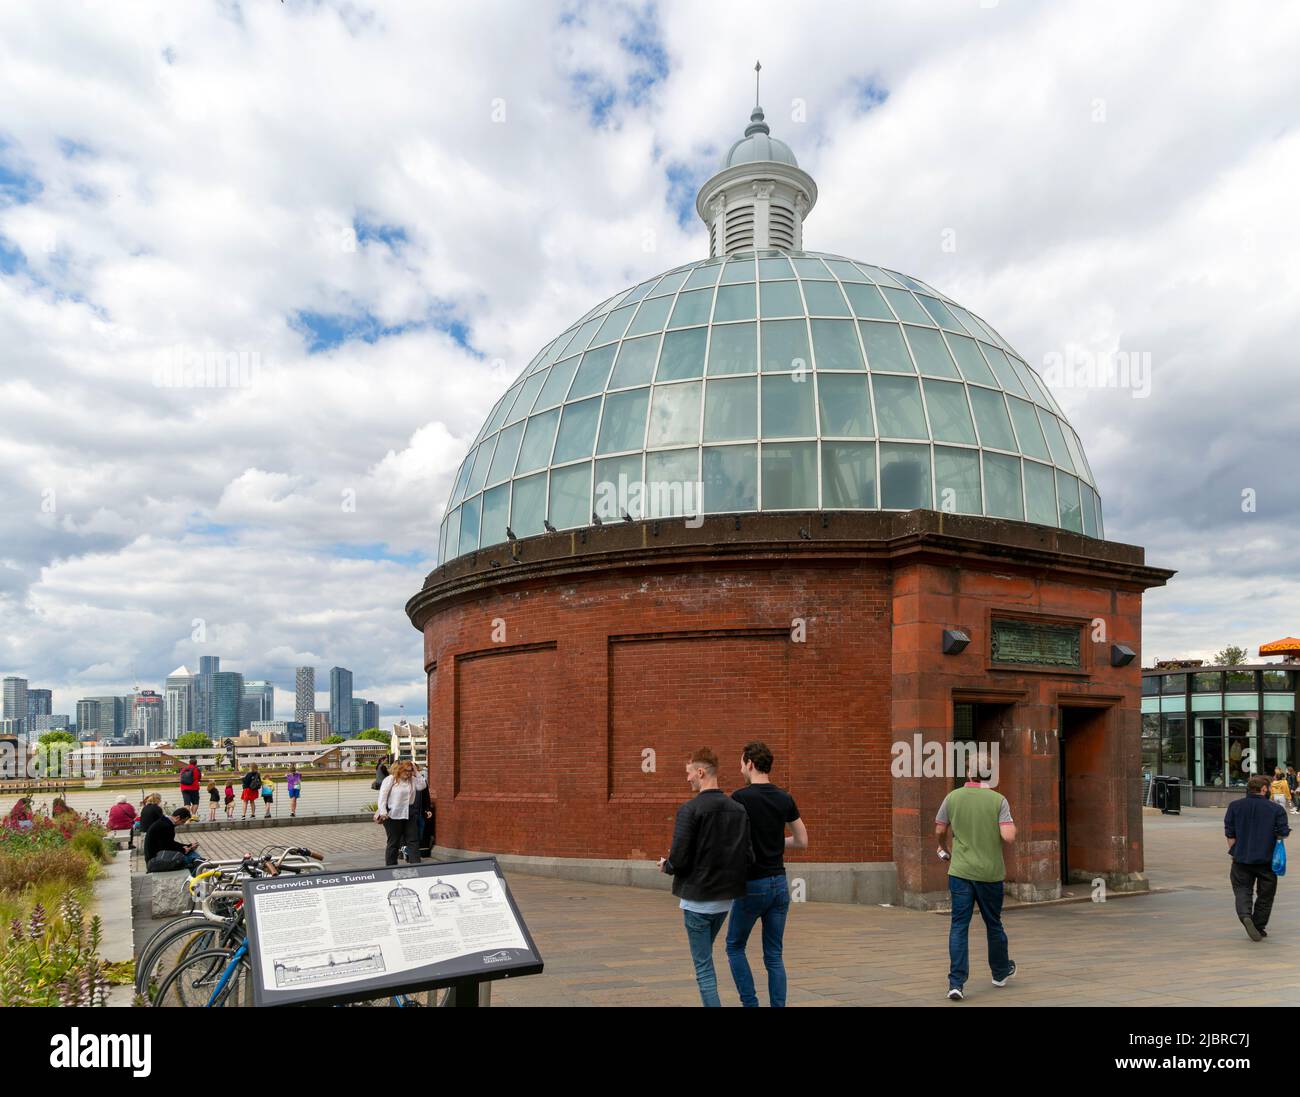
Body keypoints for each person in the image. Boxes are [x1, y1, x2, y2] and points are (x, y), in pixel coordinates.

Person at [658, 748, 752, 1007]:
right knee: (704, 958)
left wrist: (667, 865)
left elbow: (679, 858)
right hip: (724, 902)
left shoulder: (690, 810)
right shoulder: (738, 810)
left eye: (688, 773)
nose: (687, 779)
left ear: (700, 772)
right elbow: (747, 855)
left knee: (703, 969)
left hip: (697, 900)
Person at [724, 741, 807, 1008]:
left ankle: (750, 1004)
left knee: (734, 946)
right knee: (774, 956)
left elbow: (729, 842)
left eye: (741, 764)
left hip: (752, 885)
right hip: (780, 885)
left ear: (750, 763)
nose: (740, 770)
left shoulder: (739, 798)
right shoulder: (785, 797)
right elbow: (802, 841)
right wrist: (773, 842)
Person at [935, 770, 1017, 1001]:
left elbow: (940, 829)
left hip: (960, 872)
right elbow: (1009, 836)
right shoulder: (998, 800)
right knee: (993, 923)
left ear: (970, 773)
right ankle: (1000, 973)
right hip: (989, 873)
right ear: (989, 775)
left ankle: (956, 983)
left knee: (959, 925)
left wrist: (943, 847)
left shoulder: (952, 798)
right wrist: (1009, 829)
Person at [1225, 773, 1291, 940]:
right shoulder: (1276, 809)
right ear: (1264, 789)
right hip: (1267, 860)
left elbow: (1230, 833)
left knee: (1242, 889)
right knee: (1266, 894)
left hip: (1241, 857)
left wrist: (1235, 851)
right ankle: (1258, 925)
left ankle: (1245, 915)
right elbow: (1282, 833)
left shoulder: (1234, 806)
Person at [375, 760, 428, 865]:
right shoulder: (390, 779)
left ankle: (416, 864)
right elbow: (382, 797)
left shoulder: (412, 780)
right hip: (392, 815)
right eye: (406, 770)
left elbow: (422, 786)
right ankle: (391, 866)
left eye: (410, 770)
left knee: (413, 840)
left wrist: (416, 772)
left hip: (409, 813)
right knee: (394, 842)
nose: (408, 773)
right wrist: (383, 812)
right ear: (400, 769)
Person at [143, 807, 202, 873]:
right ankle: (194, 877)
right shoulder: (166, 826)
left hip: (155, 856)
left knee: (191, 855)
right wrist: (183, 849)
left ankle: (199, 865)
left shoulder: (165, 822)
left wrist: (188, 846)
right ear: (177, 818)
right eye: (183, 822)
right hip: (153, 861)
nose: (182, 824)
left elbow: (169, 843)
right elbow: (166, 846)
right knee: (188, 860)